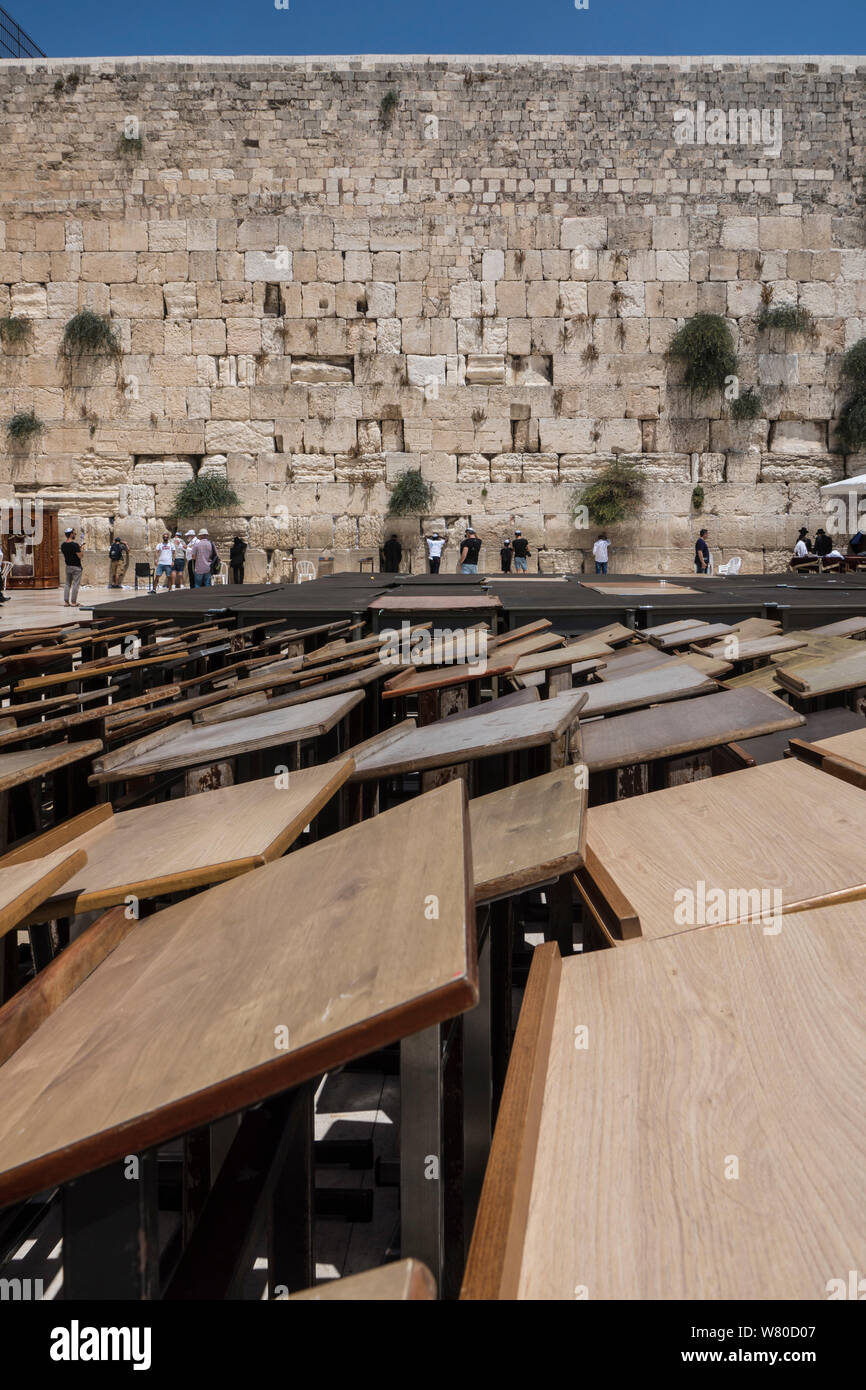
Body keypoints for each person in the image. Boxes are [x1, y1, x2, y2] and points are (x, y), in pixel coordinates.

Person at [61, 527, 83, 606]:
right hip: (76, 567)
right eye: (74, 533)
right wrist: (80, 549)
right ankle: (74, 602)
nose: (75, 534)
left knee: (67, 584)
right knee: (75, 584)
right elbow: (80, 556)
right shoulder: (75, 545)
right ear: (71, 534)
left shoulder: (63, 545)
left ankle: (66, 602)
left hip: (68, 566)